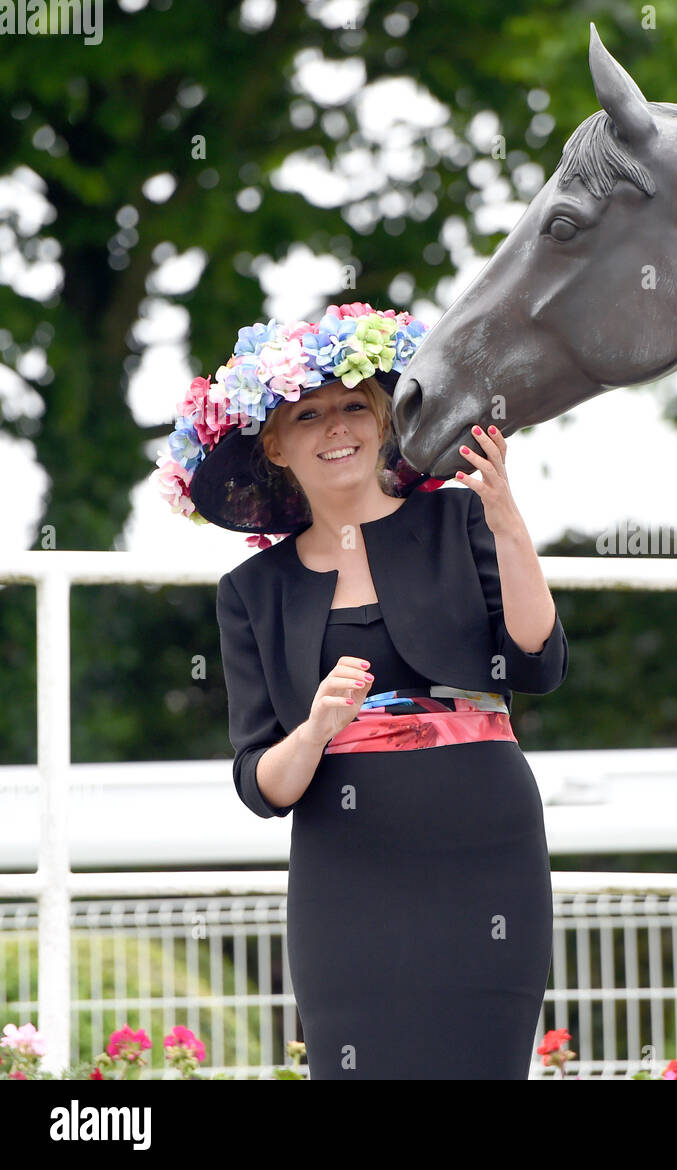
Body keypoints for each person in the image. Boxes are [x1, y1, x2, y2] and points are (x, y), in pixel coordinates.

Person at [154, 303, 569, 1078]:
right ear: (273, 445)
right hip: (347, 874)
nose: (335, 426)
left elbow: (536, 663)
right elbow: (261, 784)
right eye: (307, 414)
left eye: (353, 405)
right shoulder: (252, 591)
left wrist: (508, 521)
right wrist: (315, 727)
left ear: (383, 421)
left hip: (487, 848)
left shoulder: (458, 519)